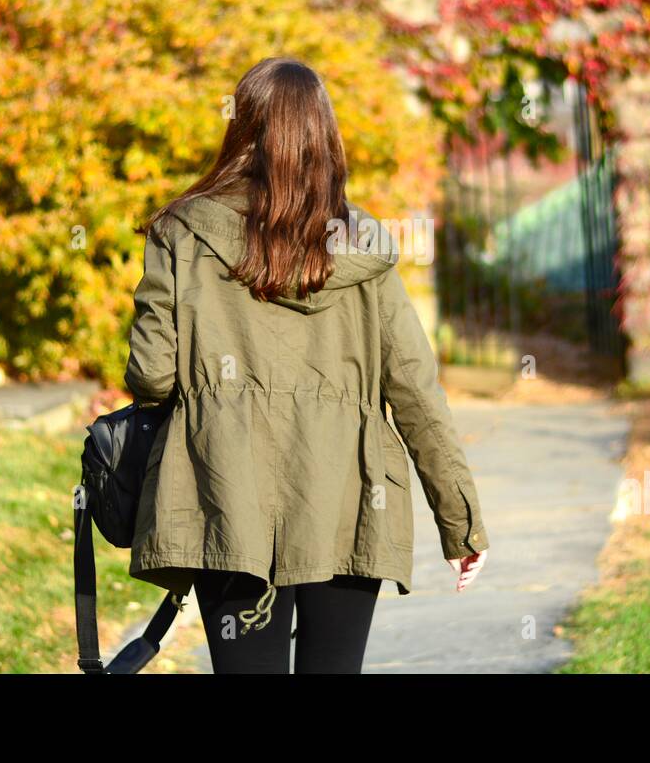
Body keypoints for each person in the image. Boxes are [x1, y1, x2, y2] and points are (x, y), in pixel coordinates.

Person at [123, 56, 489, 674]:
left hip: (225, 493)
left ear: (241, 128)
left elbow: (152, 373)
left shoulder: (181, 231)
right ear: (325, 137)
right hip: (349, 503)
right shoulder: (366, 249)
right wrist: (463, 524)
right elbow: (415, 393)